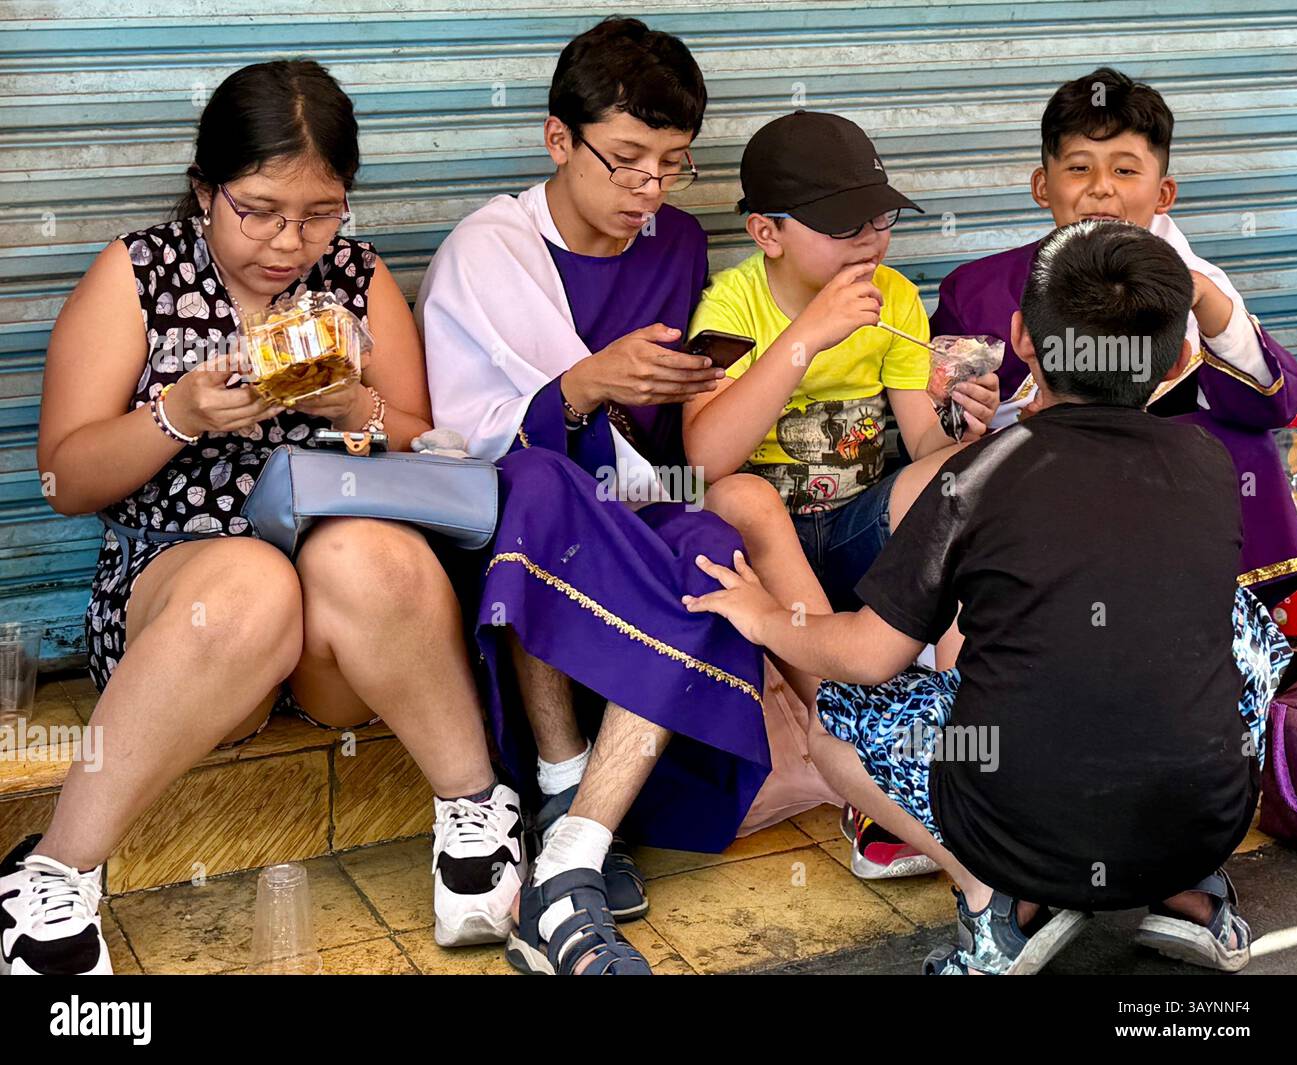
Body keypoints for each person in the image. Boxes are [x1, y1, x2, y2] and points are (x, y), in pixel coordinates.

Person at [1, 60, 521, 977]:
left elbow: (433, 450)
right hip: (189, 606)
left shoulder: (357, 281)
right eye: (259, 210)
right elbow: (63, 481)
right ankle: (51, 872)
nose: (290, 241)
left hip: (341, 639)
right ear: (206, 189)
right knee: (251, 580)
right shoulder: (141, 271)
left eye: (320, 212)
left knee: (369, 554)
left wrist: (355, 409)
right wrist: (177, 416)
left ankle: (476, 811)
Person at [684, 219, 1291, 975]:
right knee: (1238, 622)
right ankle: (1194, 892)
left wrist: (767, 616)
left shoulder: (975, 476)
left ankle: (996, 906)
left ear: (1021, 339)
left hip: (1022, 831)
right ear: (1176, 359)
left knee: (836, 724)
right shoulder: (1206, 461)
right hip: (1204, 818)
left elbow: (871, 658)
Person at [418, 18, 837, 976]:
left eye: (673, 165)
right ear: (559, 140)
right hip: (515, 511)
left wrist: (686, 386)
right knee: (539, 481)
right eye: (627, 162)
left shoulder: (676, 242)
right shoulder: (486, 251)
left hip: (637, 494)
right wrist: (583, 386)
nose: (648, 190)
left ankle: (573, 852)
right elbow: (459, 430)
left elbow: (660, 449)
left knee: (704, 536)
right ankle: (564, 779)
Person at [683, 111, 1000, 880]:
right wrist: (805, 339)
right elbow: (702, 457)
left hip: (859, 529)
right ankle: (867, 756)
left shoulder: (892, 297)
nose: (870, 239)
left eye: (880, 218)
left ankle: (963, 750)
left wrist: (964, 427)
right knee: (741, 495)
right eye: (842, 224)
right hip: (769, 544)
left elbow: (921, 445)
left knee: (963, 480)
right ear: (767, 232)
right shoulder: (731, 305)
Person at [931, 66, 1297, 607]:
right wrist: (969, 414)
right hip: (1038, 488)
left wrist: (1207, 304)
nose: (1101, 188)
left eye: (1126, 170)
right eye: (1079, 168)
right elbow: (942, 427)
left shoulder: (1199, 284)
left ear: (1164, 192)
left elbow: (1274, 402)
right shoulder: (978, 291)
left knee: (1240, 441)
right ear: (1042, 185)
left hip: (1162, 495)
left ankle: (1234, 627)